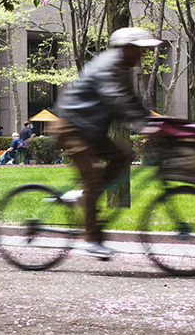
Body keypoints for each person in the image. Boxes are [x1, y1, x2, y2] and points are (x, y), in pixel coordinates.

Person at [52, 26, 161, 258]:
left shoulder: (121, 68)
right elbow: (115, 98)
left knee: (122, 156)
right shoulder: (108, 65)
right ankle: (91, 240)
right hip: (72, 126)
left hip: (90, 129)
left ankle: (83, 196)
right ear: (127, 48)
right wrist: (143, 125)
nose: (142, 55)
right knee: (91, 180)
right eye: (139, 50)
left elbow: (131, 99)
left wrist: (153, 121)